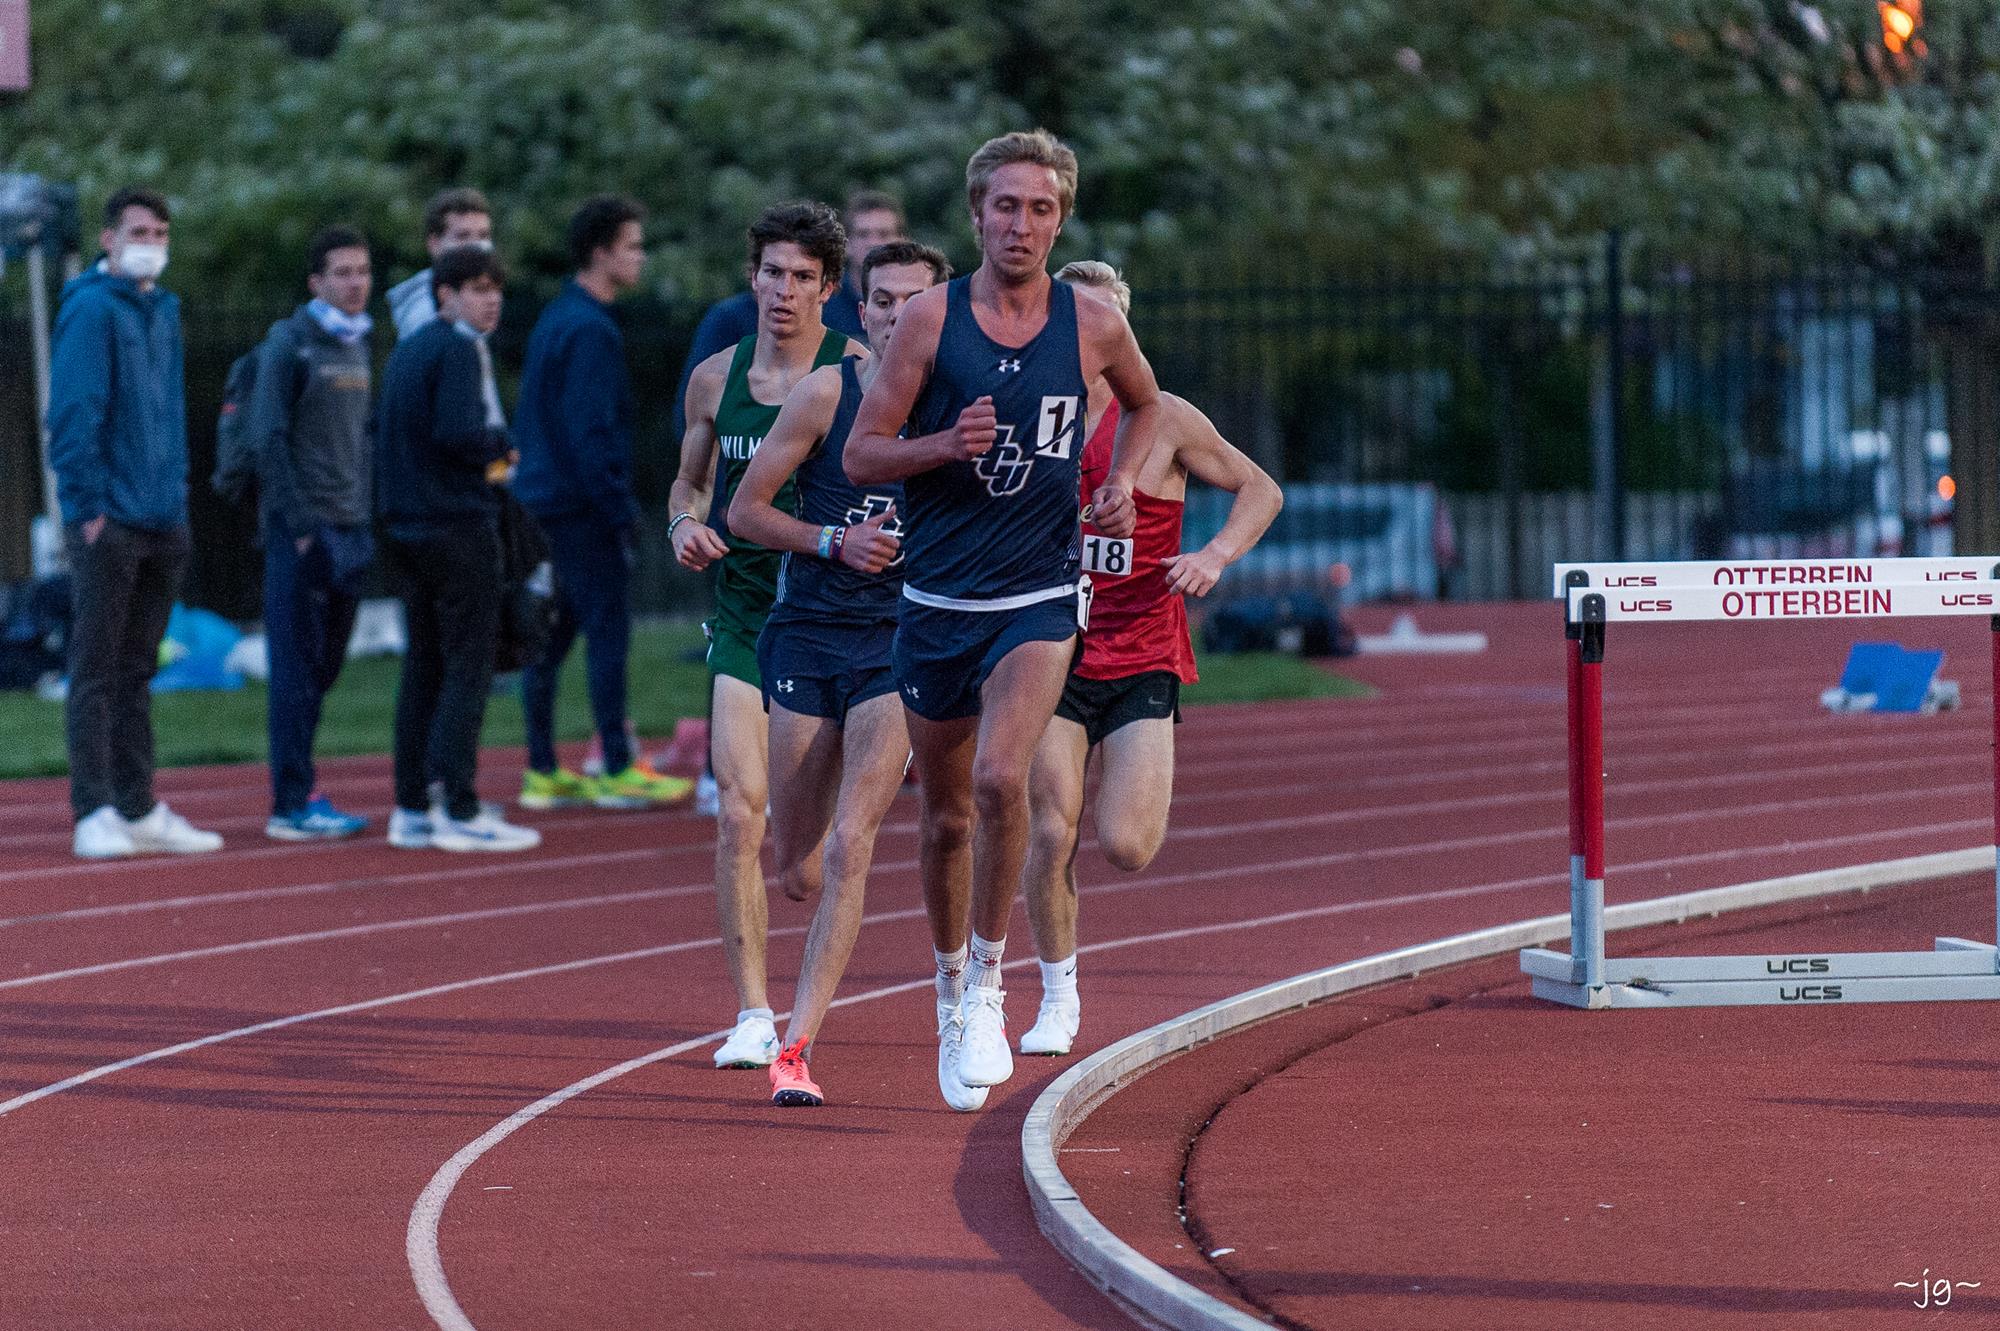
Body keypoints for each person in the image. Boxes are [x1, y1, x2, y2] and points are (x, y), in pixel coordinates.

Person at [844, 130, 1164, 1104]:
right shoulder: (931, 322)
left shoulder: (1094, 323)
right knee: (942, 819)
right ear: (975, 212)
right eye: (1003, 206)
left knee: (997, 779)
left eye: (1038, 208)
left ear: (1058, 217)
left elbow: (1148, 409)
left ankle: (987, 980)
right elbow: (862, 454)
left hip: (1037, 595)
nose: (1019, 224)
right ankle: (949, 988)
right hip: (938, 597)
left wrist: (1124, 484)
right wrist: (943, 442)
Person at [1018, 260, 1284, 1056]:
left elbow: (1262, 490)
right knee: (1047, 826)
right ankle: (1056, 991)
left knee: (1128, 845)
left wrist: (1214, 555)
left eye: (1110, 320)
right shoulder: (1033, 412)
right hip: (1051, 649)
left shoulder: (1164, 418)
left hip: (1142, 650)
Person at [726, 239, 951, 1107]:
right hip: (808, 634)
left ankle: (797, 1046)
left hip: (898, 641)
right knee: (799, 866)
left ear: (941, 312)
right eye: (883, 300)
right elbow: (745, 509)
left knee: (857, 842)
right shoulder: (828, 394)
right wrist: (832, 540)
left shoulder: (961, 410)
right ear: (863, 313)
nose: (897, 314)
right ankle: (806, 896)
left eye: (914, 300)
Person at [669, 201, 862, 1069]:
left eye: (801, 277)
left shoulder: (856, 372)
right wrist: (683, 527)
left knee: (803, 865)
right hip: (747, 619)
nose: (782, 291)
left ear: (829, 288)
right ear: (753, 278)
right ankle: (752, 1011)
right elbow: (686, 486)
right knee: (737, 814)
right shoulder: (715, 377)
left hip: (831, 617)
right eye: (771, 273)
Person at [47, 186, 223, 860]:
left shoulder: (162, 310)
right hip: (110, 520)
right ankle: (93, 807)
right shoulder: (91, 310)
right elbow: (73, 415)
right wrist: (87, 511)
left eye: (161, 230)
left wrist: (175, 492)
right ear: (108, 239)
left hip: (160, 516)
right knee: (95, 666)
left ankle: (138, 802)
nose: (153, 241)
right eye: (140, 230)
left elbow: (169, 412)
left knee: (137, 669)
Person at [512, 195, 689, 810]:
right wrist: (619, 511)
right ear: (601, 253)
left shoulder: (558, 318)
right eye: (633, 246)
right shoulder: (590, 329)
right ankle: (615, 762)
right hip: (579, 507)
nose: (641, 257)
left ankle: (540, 766)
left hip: (543, 502)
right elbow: (590, 433)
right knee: (605, 630)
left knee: (552, 635)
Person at [375, 245, 539, 853]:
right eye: (475, 287)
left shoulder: (409, 351)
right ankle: (460, 806)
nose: (490, 298)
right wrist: (502, 442)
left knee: (424, 665)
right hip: (455, 526)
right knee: (467, 665)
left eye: (495, 287)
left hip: (408, 528)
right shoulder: (457, 348)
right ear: (444, 295)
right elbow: (459, 434)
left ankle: (413, 805)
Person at [244, 224, 380, 840]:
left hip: (352, 526)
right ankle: (291, 802)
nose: (356, 283)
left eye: (363, 271)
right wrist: (298, 526)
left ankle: (302, 786)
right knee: (296, 669)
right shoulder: (289, 345)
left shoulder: (360, 344)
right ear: (316, 282)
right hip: (302, 531)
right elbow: (265, 438)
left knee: (324, 668)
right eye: (343, 273)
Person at [387, 188, 494, 340]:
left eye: (483, 236)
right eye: (463, 236)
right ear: (434, 244)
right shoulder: (426, 313)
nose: (476, 246)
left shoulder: (476, 301)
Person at [819, 190, 906, 340]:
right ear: (846, 245)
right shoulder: (822, 304)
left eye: (884, 234)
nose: (873, 243)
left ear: (903, 242)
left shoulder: (920, 302)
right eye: (863, 234)